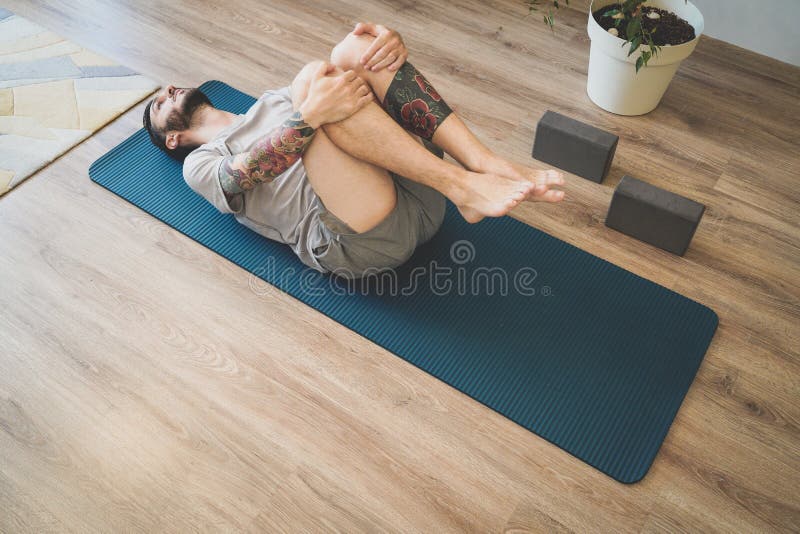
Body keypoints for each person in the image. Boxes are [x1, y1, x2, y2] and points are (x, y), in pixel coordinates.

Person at [143, 23, 565, 279]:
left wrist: (385, 50)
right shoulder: (199, 164)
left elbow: (355, 79)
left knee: (349, 50)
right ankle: (464, 185)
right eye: (159, 105)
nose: (169, 92)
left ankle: (481, 164)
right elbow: (244, 175)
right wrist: (309, 115)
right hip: (359, 236)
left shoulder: (270, 100)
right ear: (171, 139)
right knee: (315, 81)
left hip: (413, 189)